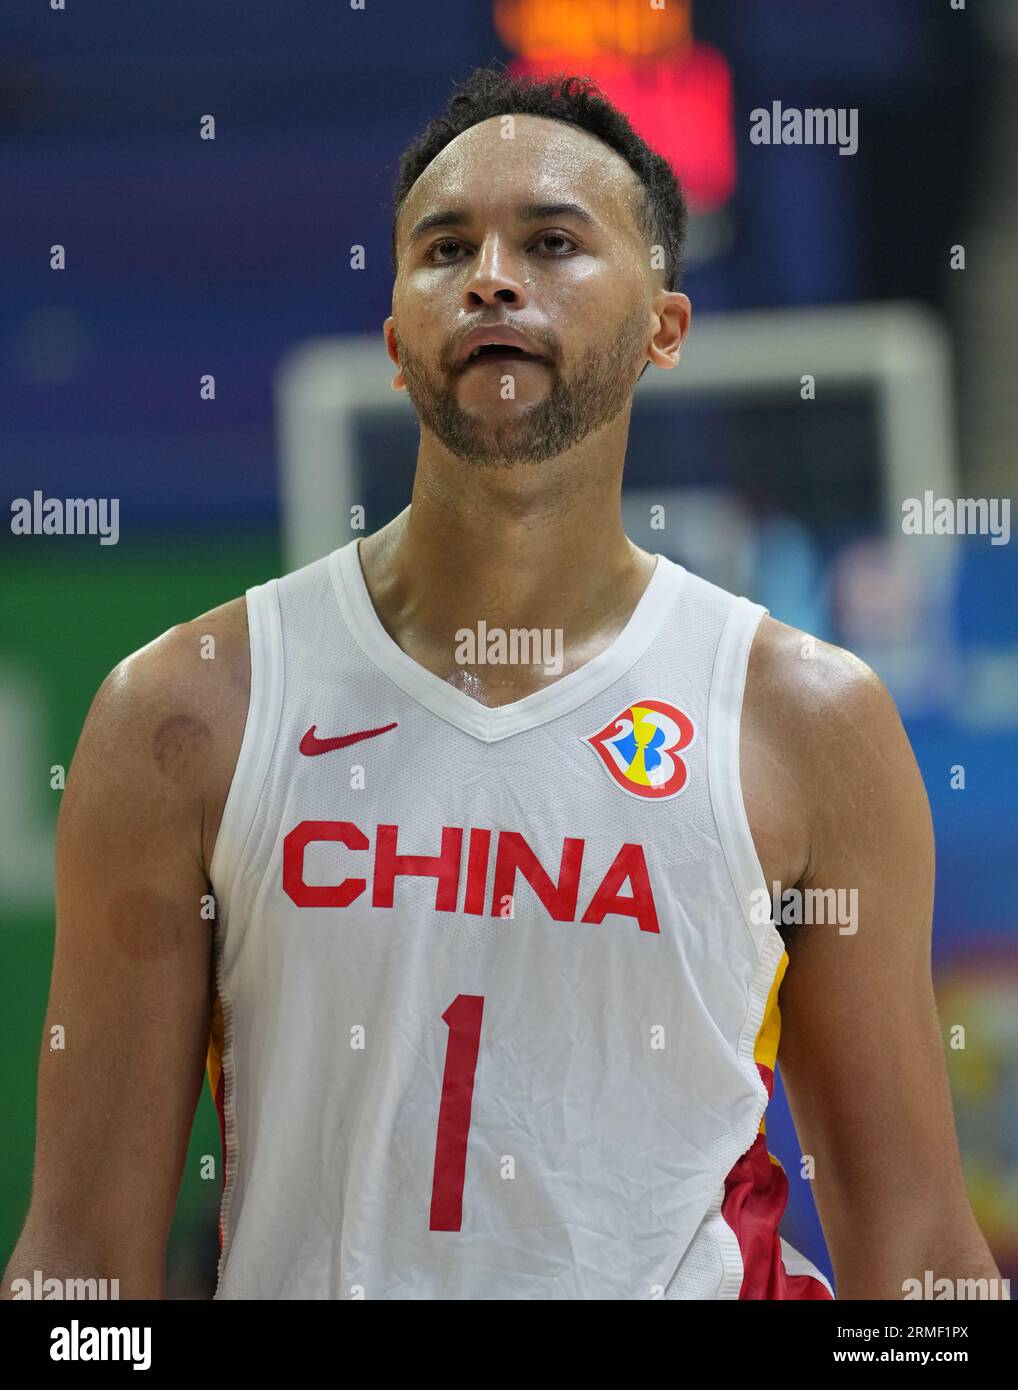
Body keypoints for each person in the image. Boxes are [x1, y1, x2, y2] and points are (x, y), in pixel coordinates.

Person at [3, 66, 1002, 1301]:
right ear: (393, 340)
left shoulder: (807, 720)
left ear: (665, 327)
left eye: (551, 241)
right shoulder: (187, 711)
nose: (488, 273)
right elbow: (77, 1273)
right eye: (443, 247)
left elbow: (918, 1256)